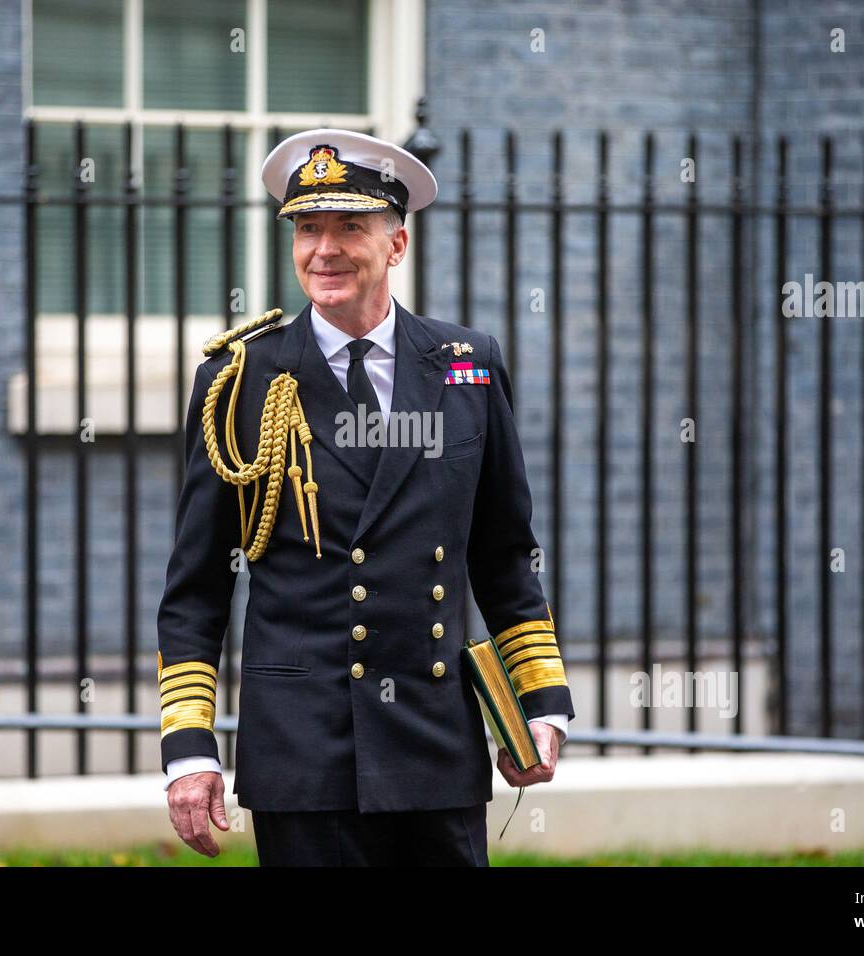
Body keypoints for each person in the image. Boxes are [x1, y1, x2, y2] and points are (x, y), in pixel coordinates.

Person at [157, 128, 574, 866]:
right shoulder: (240, 381)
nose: (325, 250)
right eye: (308, 229)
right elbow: (196, 587)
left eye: (350, 227)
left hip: (433, 741)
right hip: (301, 752)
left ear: (397, 245)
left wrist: (540, 703)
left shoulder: (466, 368)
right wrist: (190, 749)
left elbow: (505, 554)